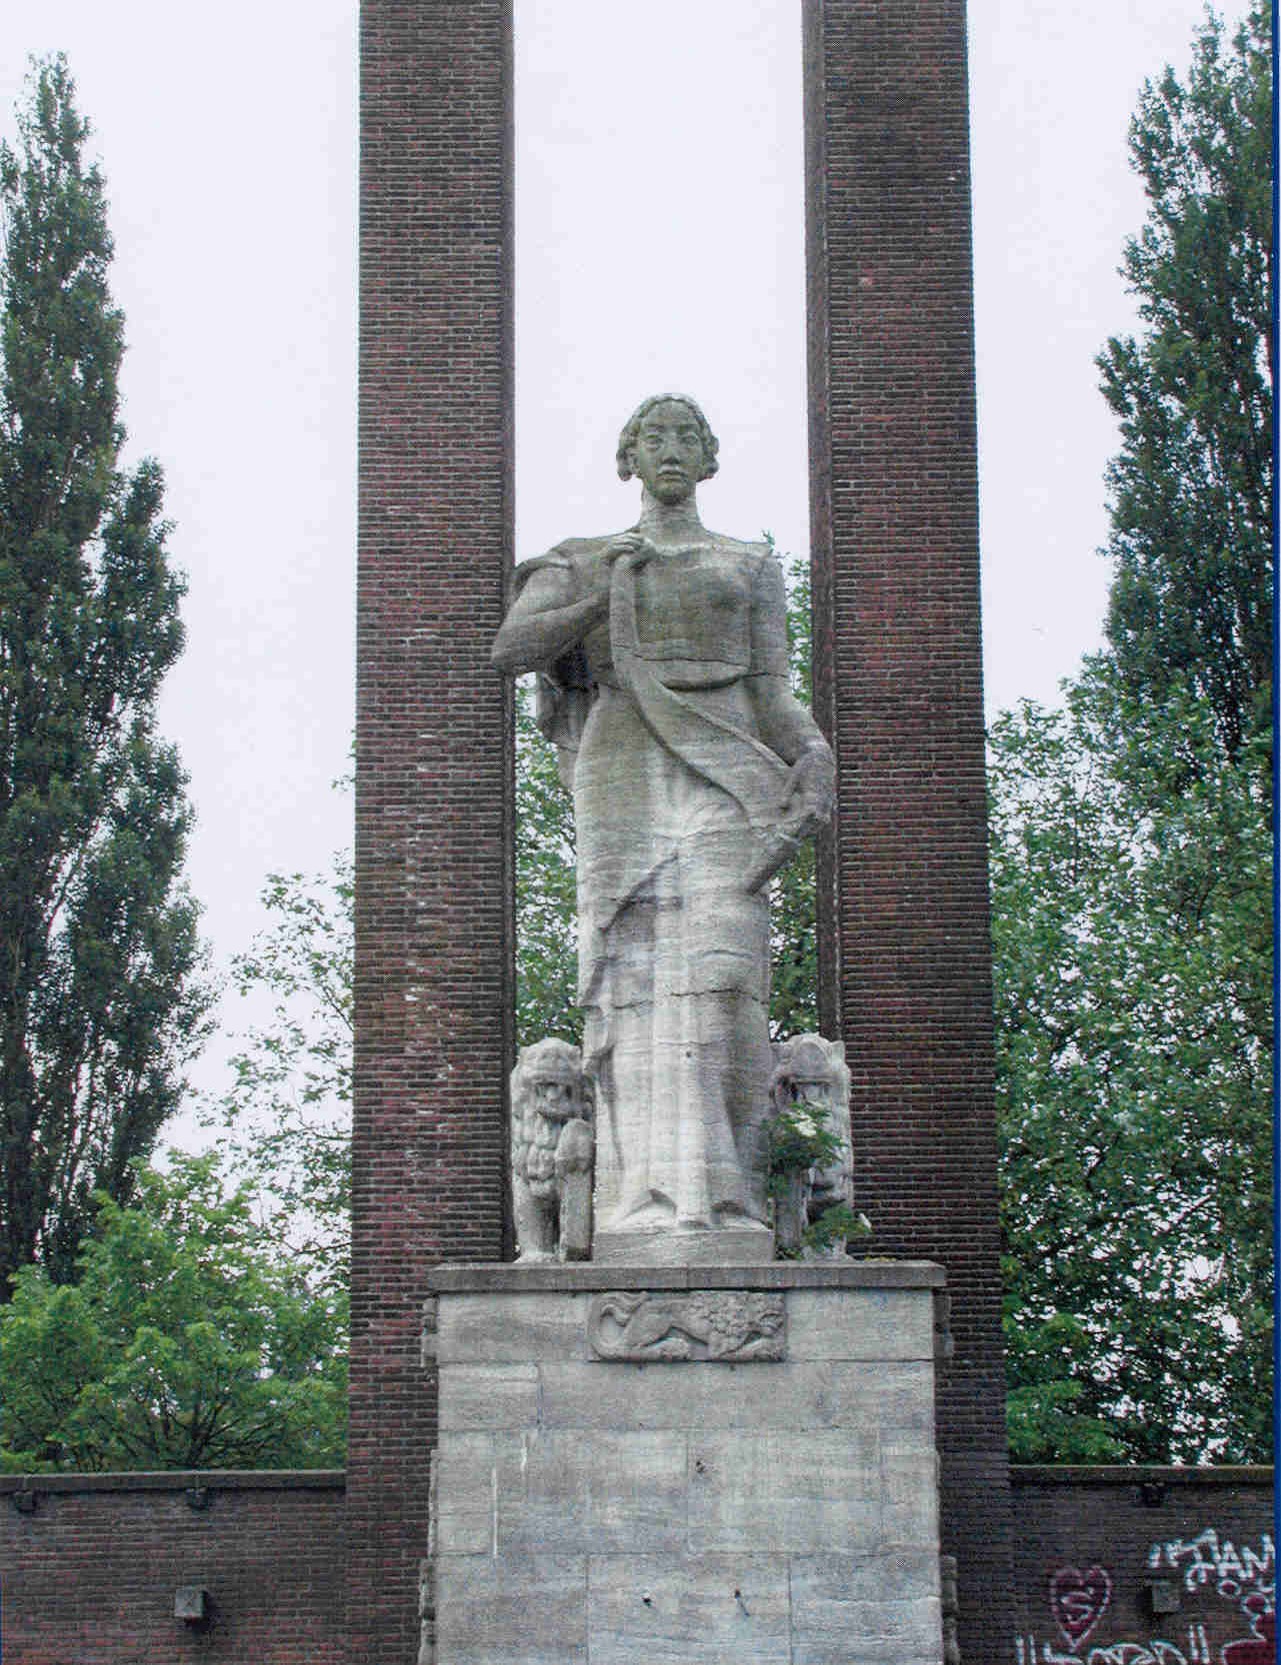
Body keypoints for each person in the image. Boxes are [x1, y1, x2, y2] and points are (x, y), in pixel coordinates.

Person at [492, 394, 834, 1261]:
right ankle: (634, 1200)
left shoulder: (748, 564)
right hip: (623, 762)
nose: (671, 449)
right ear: (628, 458)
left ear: (710, 457)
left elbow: (773, 693)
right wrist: (602, 586)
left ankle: (725, 1198)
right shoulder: (585, 557)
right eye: (655, 436)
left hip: (726, 760)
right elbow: (511, 648)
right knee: (630, 980)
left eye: (688, 436)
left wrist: (814, 755)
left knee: (723, 979)